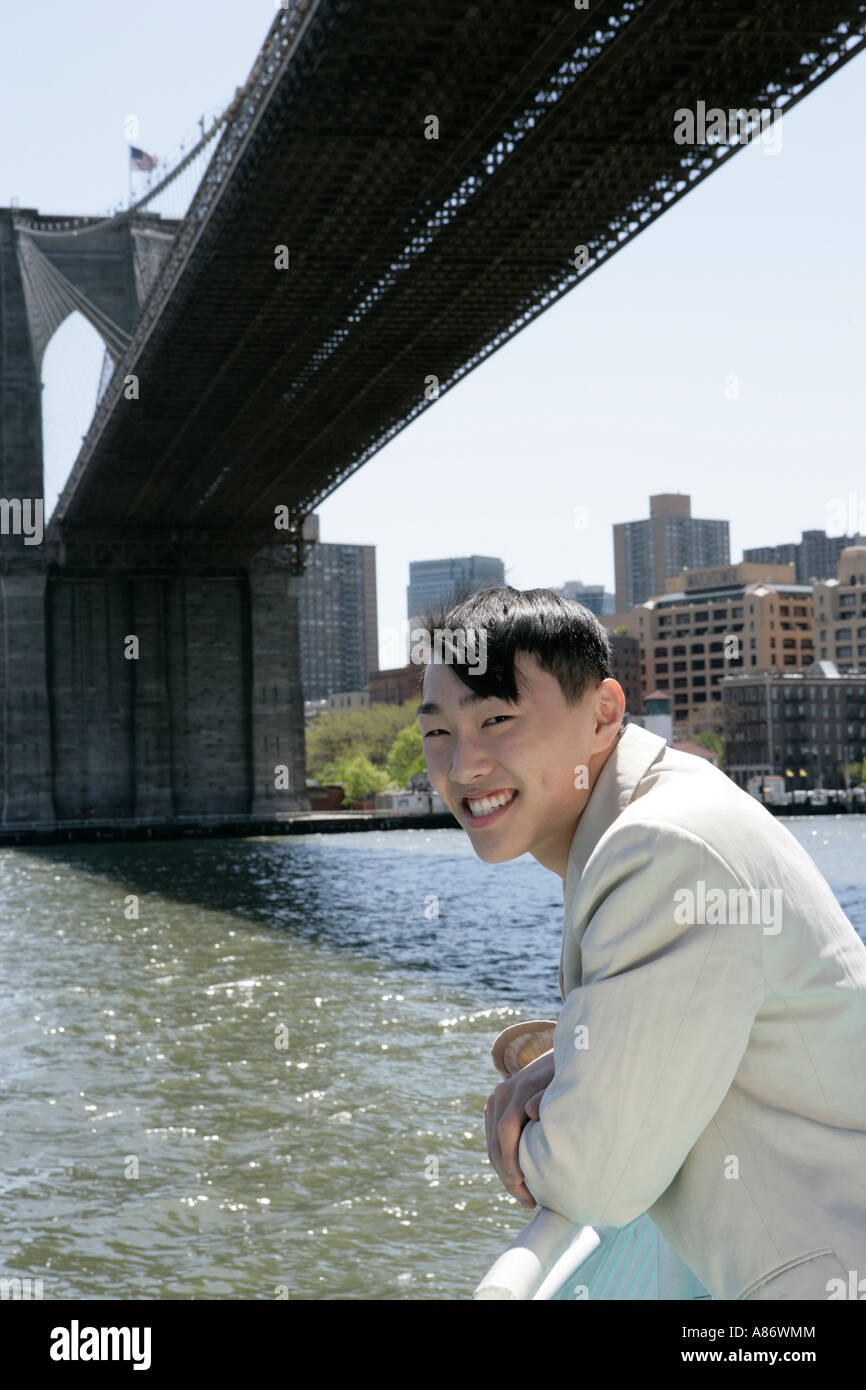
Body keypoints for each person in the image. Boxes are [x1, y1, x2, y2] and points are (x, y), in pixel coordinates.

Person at [415, 585, 866, 1300]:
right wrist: (570, 1068)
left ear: (603, 716)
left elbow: (594, 1176)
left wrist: (535, 1119)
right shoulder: (659, 810)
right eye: (438, 732)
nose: (462, 766)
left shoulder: (663, 846)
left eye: (497, 718)